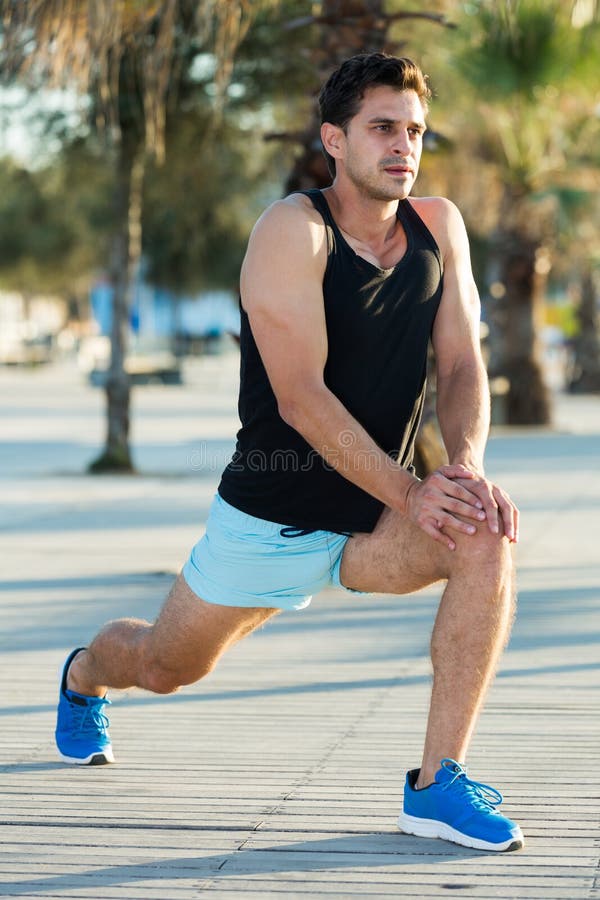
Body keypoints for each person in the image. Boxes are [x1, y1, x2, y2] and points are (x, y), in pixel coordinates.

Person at [56, 52, 523, 852]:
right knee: (167, 668)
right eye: (382, 128)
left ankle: (437, 783)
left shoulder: (439, 227)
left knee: (485, 532)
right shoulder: (291, 232)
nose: (403, 146)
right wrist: (414, 493)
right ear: (333, 139)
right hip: (270, 520)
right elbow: (302, 398)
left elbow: (459, 363)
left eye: (414, 130)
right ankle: (82, 676)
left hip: (372, 524)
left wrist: (465, 466)